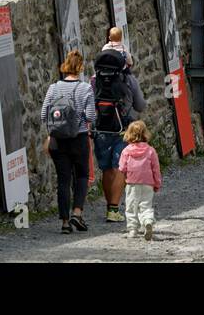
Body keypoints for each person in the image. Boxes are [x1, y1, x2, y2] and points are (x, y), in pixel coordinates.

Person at [41, 50, 96, 234]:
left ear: (65, 66)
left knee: (63, 180)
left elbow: (43, 115)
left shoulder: (53, 88)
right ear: (80, 67)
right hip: (78, 138)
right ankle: (77, 212)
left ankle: (65, 222)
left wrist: (53, 131)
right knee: (81, 175)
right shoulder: (85, 88)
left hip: (58, 140)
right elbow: (90, 116)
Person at [92, 39, 147, 223]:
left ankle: (110, 205)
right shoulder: (128, 79)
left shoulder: (94, 80)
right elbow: (140, 105)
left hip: (100, 129)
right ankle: (113, 208)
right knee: (119, 168)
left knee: (106, 169)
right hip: (123, 129)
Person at [118, 121, 162, 241]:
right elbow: (156, 169)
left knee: (132, 207)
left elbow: (122, 168)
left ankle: (133, 230)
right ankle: (147, 221)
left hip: (132, 183)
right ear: (145, 134)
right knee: (146, 206)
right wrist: (157, 183)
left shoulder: (126, 151)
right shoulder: (150, 150)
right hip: (148, 183)